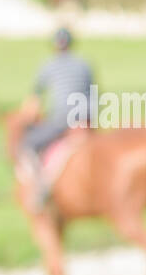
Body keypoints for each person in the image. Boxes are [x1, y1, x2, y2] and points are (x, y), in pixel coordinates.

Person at [12, 28, 94, 212]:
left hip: (63, 119)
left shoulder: (49, 66)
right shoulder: (84, 64)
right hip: (88, 120)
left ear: (54, 45)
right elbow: (95, 93)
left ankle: (41, 188)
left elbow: (33, 102)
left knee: (28, 144)